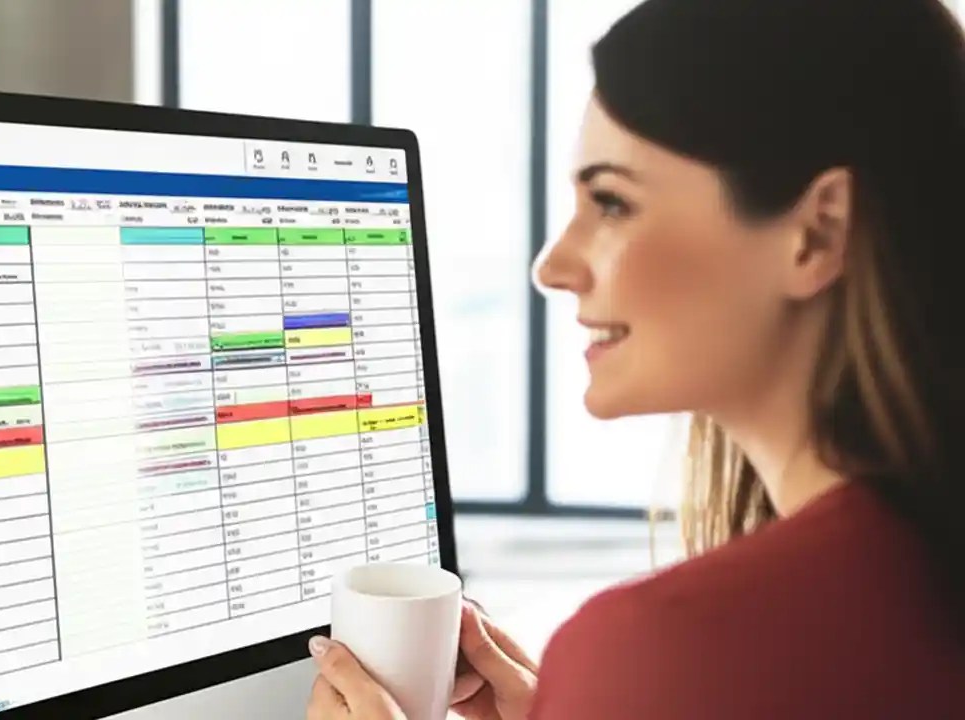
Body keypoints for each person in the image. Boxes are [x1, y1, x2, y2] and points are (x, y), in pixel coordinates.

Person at [305, 0, 965, 717]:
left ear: (818, 231)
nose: (553, 266)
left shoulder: (669, 645)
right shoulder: (913, 573)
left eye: (613, 203)